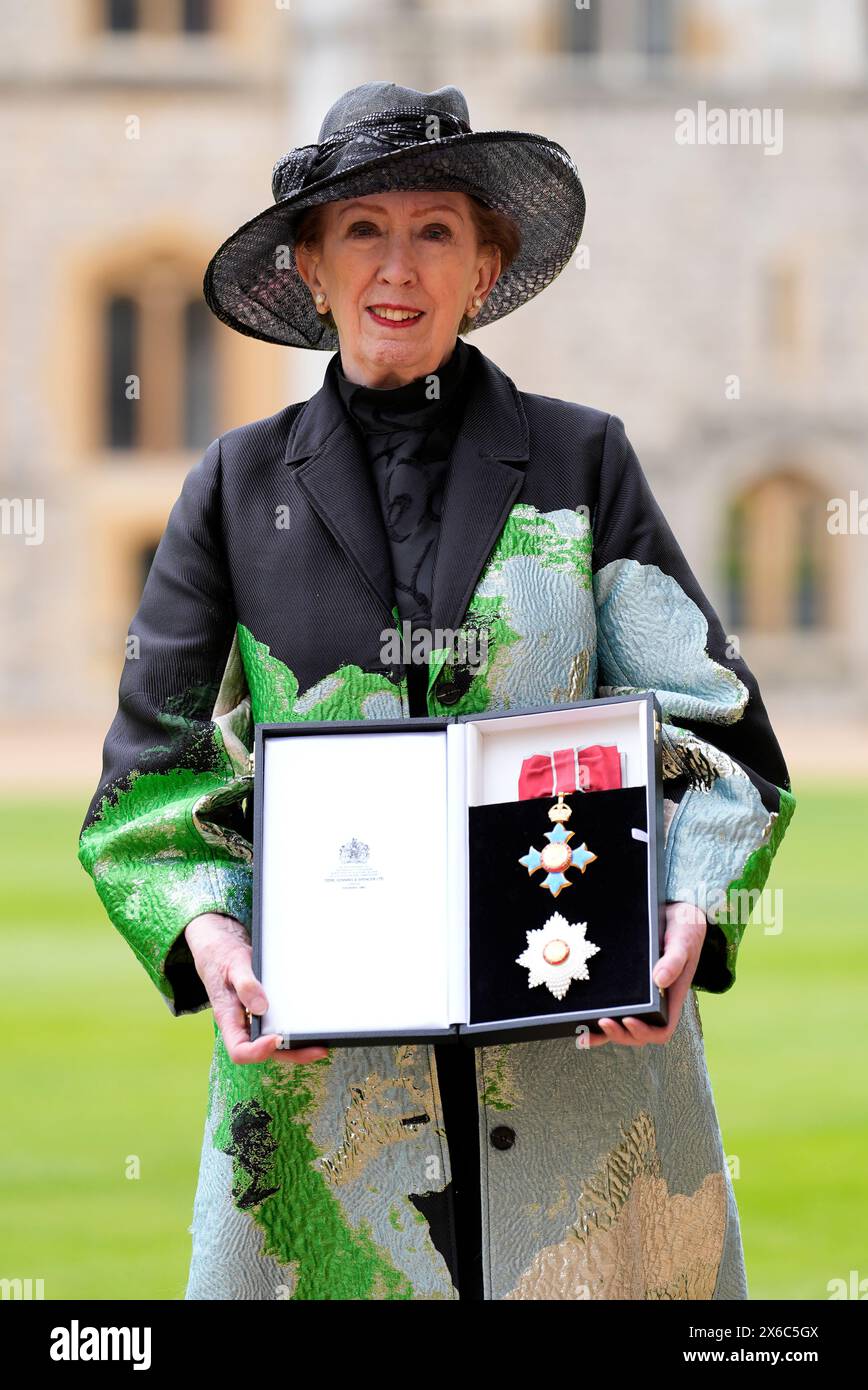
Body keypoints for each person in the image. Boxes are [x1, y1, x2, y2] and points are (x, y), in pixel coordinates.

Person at [78, 82, 796, 1301]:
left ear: (484, 266)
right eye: (360, 230)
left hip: (583, 1080)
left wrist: (684, 912)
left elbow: (717, 727)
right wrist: (210, 929)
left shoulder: (584, 461)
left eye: (434, 231)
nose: (394, 266)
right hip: (323, 1111)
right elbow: (151, 780)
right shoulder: (232, 487)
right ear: (311, 267)